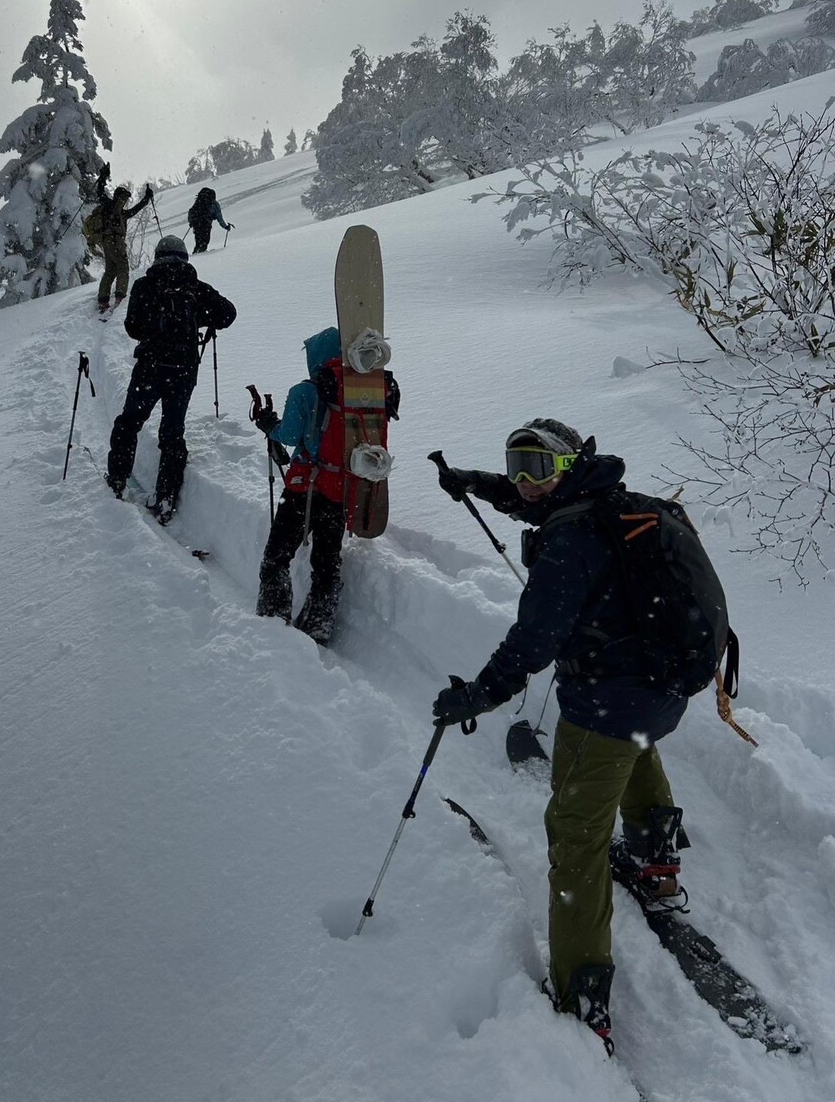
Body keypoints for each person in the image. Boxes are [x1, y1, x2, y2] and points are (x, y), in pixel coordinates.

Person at [431, 419, 690, 1054]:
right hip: (661, 690)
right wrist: (478, 483)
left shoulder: (568, 542)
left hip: (603, 704)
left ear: (570, 468)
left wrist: (478, 696)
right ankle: (656, 861)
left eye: (538, 468)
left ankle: (582, 998)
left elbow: (533, 644)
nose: (525, 481)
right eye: (516, 465)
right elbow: (533, 497)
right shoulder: (616, 503)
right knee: (634, 744)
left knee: (576, 842)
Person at [253, 327, 400, 644]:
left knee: (276, 558)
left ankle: (271, 625)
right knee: (327, 564)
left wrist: (269, 426)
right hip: (342, 489)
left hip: (303, 489)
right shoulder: (365, 391)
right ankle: (317, 628)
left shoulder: (307, 390)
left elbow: (290, 436)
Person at [105, 235, 236, 523]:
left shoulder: (144, 285)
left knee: (129, 422)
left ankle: (116, 480)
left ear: (158, 256)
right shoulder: (195, 286)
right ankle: (166, 497)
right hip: (184, 369)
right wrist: (199, 319)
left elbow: (133, 327)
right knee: (172, 433)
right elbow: (228, 314)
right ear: (184, 256)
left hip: (150, 367)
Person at [86, 165, 154, 311]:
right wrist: (147, 198)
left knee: (110, 271)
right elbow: (101, 192)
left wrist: (146, 199)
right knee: (123, 268)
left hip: (106, 243)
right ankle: (120, 297)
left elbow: (133, 210)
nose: (125, 200)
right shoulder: (113, 207)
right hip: (115, 242)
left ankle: (103, 299)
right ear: (119, 197)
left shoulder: (113, 209)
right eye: (124, 197)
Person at [187, 187, 232, 254]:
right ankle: (201, 255)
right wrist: (225, 226)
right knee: (204, 241)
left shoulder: (198, 202)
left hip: (196, 224)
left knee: (198, 242)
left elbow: (191, 211)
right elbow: (219, 217)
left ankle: (196, 253)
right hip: (206, 224)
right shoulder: (214, 204)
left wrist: (191, 222)